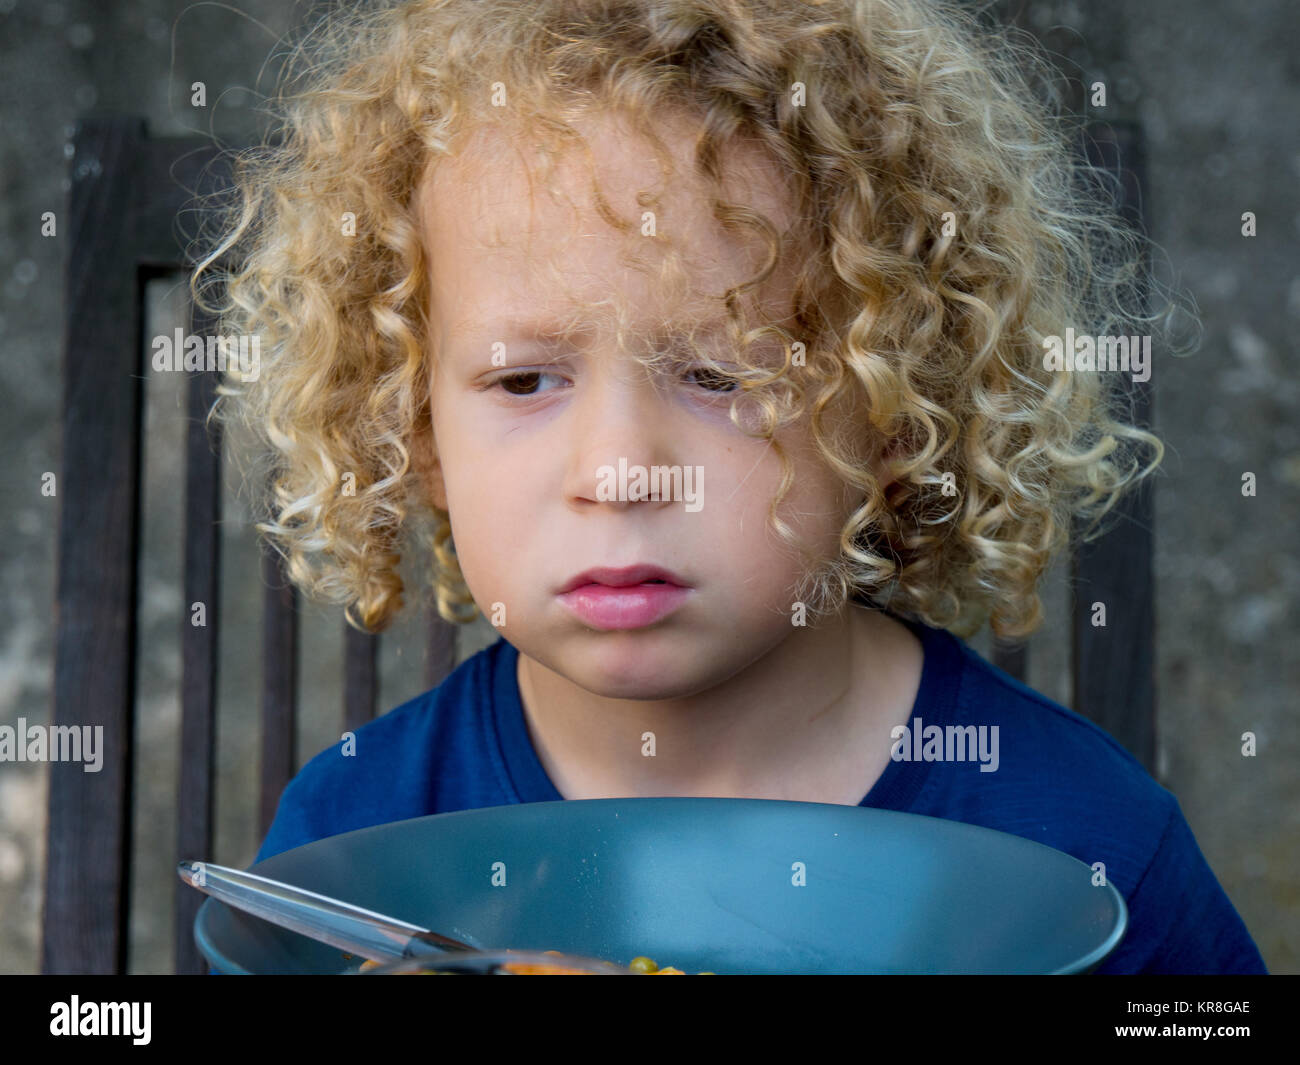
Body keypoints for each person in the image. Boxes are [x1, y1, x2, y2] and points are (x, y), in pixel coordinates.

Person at [194, 0, 1266, 973]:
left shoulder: (1087, 847)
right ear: (413, 430)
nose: (615, 474)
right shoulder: (351, 851)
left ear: (898, 410)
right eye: (524, 379)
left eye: (724, 375)